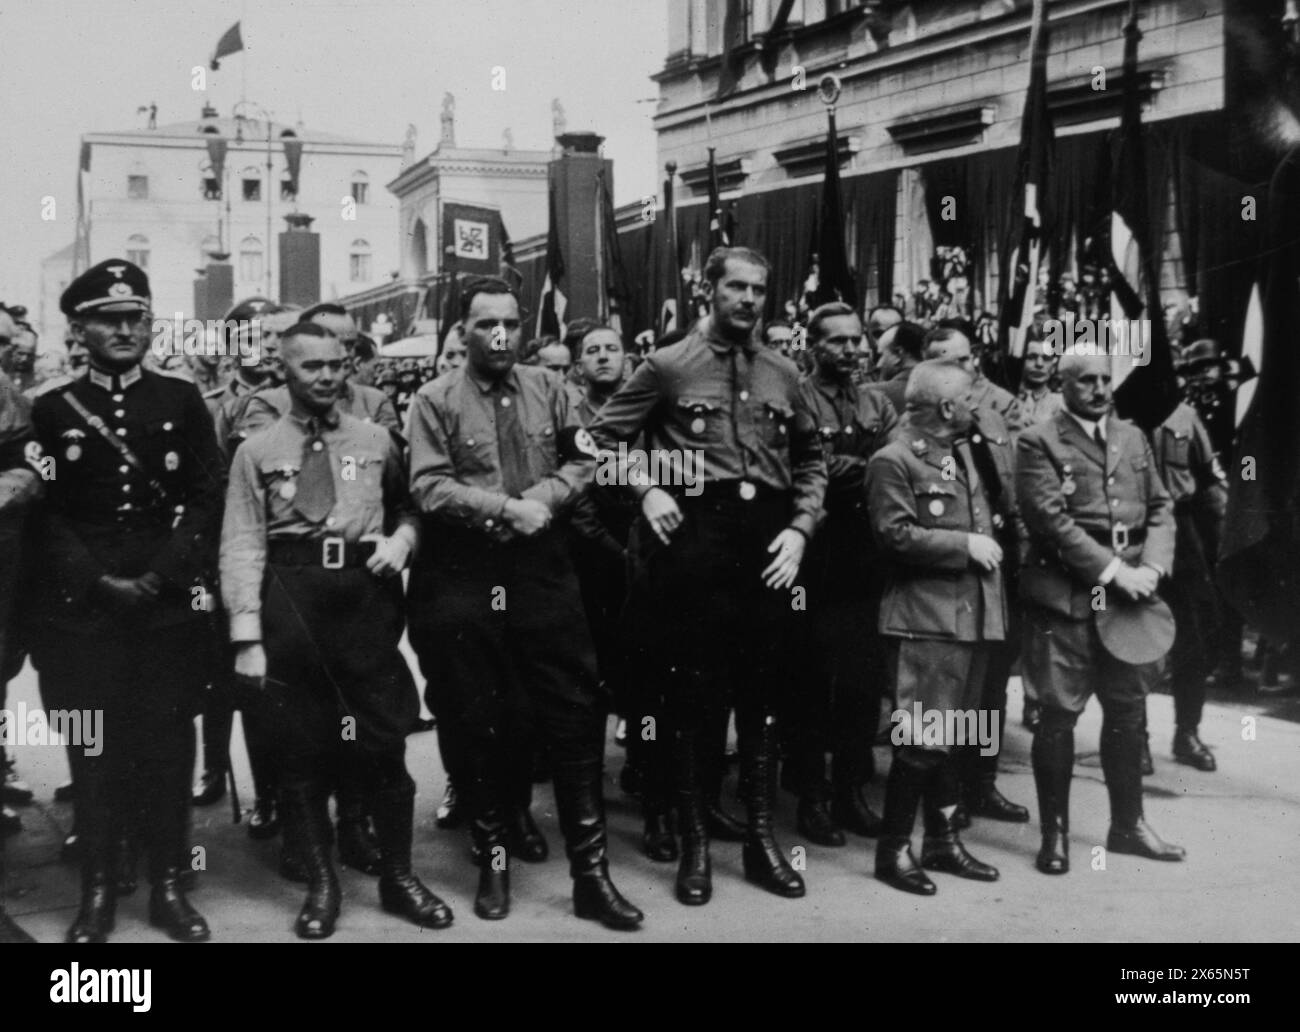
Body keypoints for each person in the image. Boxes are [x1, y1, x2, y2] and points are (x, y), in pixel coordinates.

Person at [588, 246, 827, 907]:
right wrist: (647, 488)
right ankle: (695, 845)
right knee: (693, 699)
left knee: (763, 695)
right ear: (708, 290)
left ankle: (758, 839)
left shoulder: (785, 370)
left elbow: (812, 458)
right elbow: (599, 441)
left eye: (758, 289)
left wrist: (801, 529)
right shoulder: (667, 365)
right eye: (736, 288)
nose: (748, 300)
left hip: (769, 543)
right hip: (693, 538)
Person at [406, 275, 643, 930]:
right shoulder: (433, 400)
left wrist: (548, 496)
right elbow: (428, 486)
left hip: (543, 570)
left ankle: (592, 876)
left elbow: (586, 458)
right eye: (487, 325)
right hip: (468, 570)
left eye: (510, 322)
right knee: (484, 717)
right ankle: (494, 861)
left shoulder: (552, 388)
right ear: (464, 332)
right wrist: (503, 506)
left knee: (572, 712)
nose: (502, 335)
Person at [220, 321, 453, 939]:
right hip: (291, 606)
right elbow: (242, 541)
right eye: (309, 367)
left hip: (363, 603)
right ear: (283, 370)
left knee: (382, 743)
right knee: (299, 752)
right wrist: (246, 637)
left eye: (335, 364)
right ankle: (322, 884)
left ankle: (399, 878)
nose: (325, 377)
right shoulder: (255, 450)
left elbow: (410, 505)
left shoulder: (377, 437)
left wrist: (404, 540)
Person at [30, 259, 224, 942]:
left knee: (170, 744)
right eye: (107, 319)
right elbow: (45, 513)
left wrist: (163, 573)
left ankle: (169, 887)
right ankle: (100, 893)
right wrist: (95, 580)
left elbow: (208, 495)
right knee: (95, 751)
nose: (123, 329)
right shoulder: (51, 410)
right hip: (85, 615)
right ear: (79, 329)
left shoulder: (180, 400)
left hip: (165, 610)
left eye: (134, 316)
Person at [1016, 354, 1184, 875]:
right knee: (1058, 715)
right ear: (1062, 385)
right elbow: (1049, 521)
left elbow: (1160, 506)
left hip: (1130, 598)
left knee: (1128, 712)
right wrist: (1115, 571)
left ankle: (1128, 826)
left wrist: (1153, 565)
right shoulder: (1038, 440)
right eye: (1086, 379)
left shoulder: (1132, 436)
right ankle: (1056, 835)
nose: (1099, 388)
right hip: (1067, 598)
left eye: (1106, 379)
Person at [866, 361, 1006, 896]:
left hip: (970, 617)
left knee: (953, 737)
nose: (978, 405)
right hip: (925, 621)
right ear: (948, 407)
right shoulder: (893, 460)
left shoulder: (963, 453)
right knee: (922, 739)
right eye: (971, 397)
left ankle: (942, 842)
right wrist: (964, 546)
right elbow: (894, 536)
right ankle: (893, 849)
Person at [786, 302, 895, 847]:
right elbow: (804, 466)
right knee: (808, 679)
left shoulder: (877, 400)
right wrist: (867, 466)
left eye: (858, 341)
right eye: (839, 342)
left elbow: (898, 461)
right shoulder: (796, 396)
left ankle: (852, 790)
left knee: (861, 679)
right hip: (811, 557)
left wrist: (854, 465)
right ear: (813, 347)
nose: (853, 351)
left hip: (863, 557)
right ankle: (812, 795)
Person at [922, 327, 1029, 824]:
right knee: (948, 688)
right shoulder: (925, 425)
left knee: (989, 685)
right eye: (947, 361)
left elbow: (1015, 481)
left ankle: (980, 782)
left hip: (997, 565)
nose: (962, 371)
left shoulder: (996, 411)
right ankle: (943, 795)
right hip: (950, 570)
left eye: (966, 360)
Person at [1150, 400, 1228, 772]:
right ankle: (1132, 738)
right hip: (1134, 531)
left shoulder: (1185, 416)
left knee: (1193, 634)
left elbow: (1210, 480)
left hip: (1182, 532)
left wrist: (1229, 536)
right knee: (1133, 637)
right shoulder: (1115, 410)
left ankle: (1187, 733)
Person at [869, 321, 926, 413]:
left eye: (882, 355)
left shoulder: (871, 394)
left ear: (898, 354)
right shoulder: (944, 390)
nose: (878, 364)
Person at [1017, 336, 1065, 426]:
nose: (1039, 364)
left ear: (1053, 368)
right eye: (1032, 357)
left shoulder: (1061, 403)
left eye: (1046, 359)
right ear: (1022, 362)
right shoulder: (1008, 398)